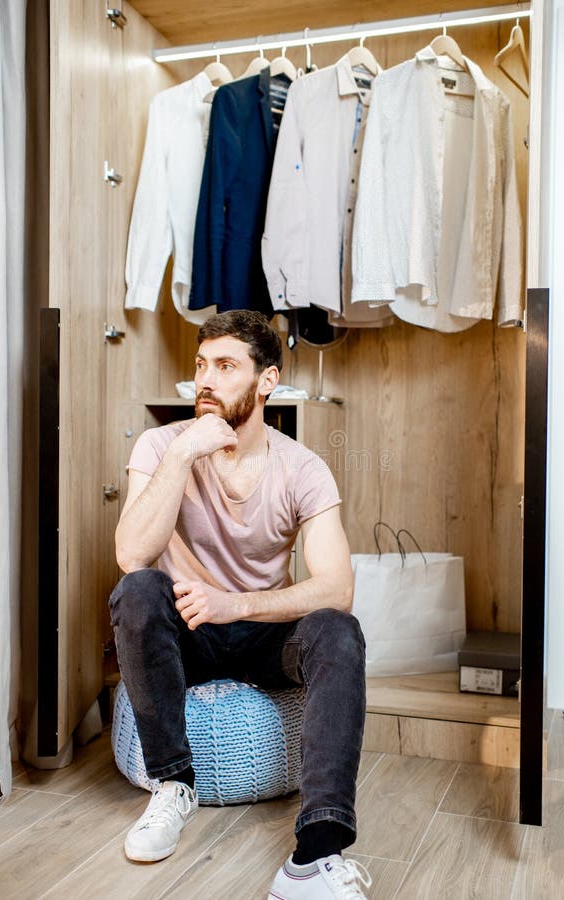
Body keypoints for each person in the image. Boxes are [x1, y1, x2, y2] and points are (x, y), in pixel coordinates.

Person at [109, 310, 370, 899]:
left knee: (338, 630)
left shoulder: (302, 467)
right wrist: (182, 454)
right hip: (188, 631)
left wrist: (235, 603)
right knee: (138, 591)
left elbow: (337, 587)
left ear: (267, 380)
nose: (206, 379)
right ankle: (174, 786)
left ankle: (316, 852)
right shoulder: (160, 444)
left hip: (256, 632)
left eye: (226, 366)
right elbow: (131, 554)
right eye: (202, 364)